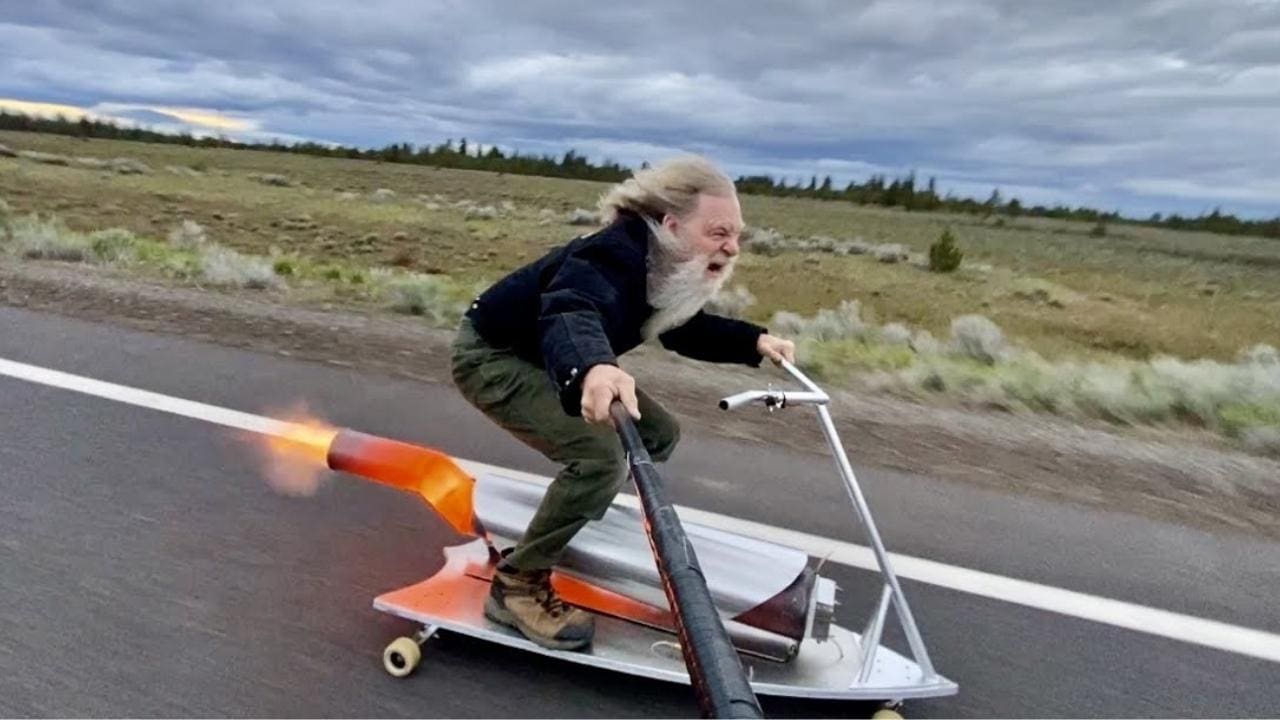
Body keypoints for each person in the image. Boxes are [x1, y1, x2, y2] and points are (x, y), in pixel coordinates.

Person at [449, 155, 796, 650]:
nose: (732, 247)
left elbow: (681, 328)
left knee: (658, 434)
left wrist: (753, 341)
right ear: (672, 224)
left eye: (738, 236)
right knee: (598, 459)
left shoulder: (668, 260)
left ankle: (575, 515)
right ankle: (517, 584)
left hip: (546, 358)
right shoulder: (613, 254)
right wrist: (594, 365)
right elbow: (573, 306)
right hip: (494, 357)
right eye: (719, 232)